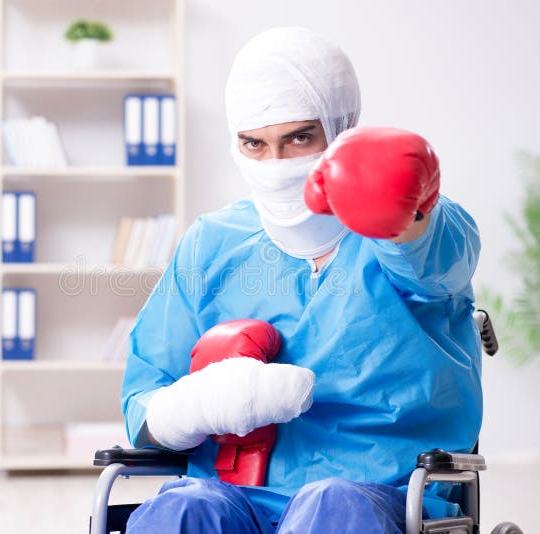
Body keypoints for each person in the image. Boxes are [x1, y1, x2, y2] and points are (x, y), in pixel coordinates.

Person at [120, 27, 482, 534]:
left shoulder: (407, 234)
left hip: (377, 500)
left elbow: (436, 261)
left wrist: (406, 212)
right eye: (254, 143)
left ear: (340, 130)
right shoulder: (213, 243)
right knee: (180, 510)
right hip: (236, 498)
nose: (276, 165)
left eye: (299, 138)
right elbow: (145, 393)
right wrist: (193, 407)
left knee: (330, 504)